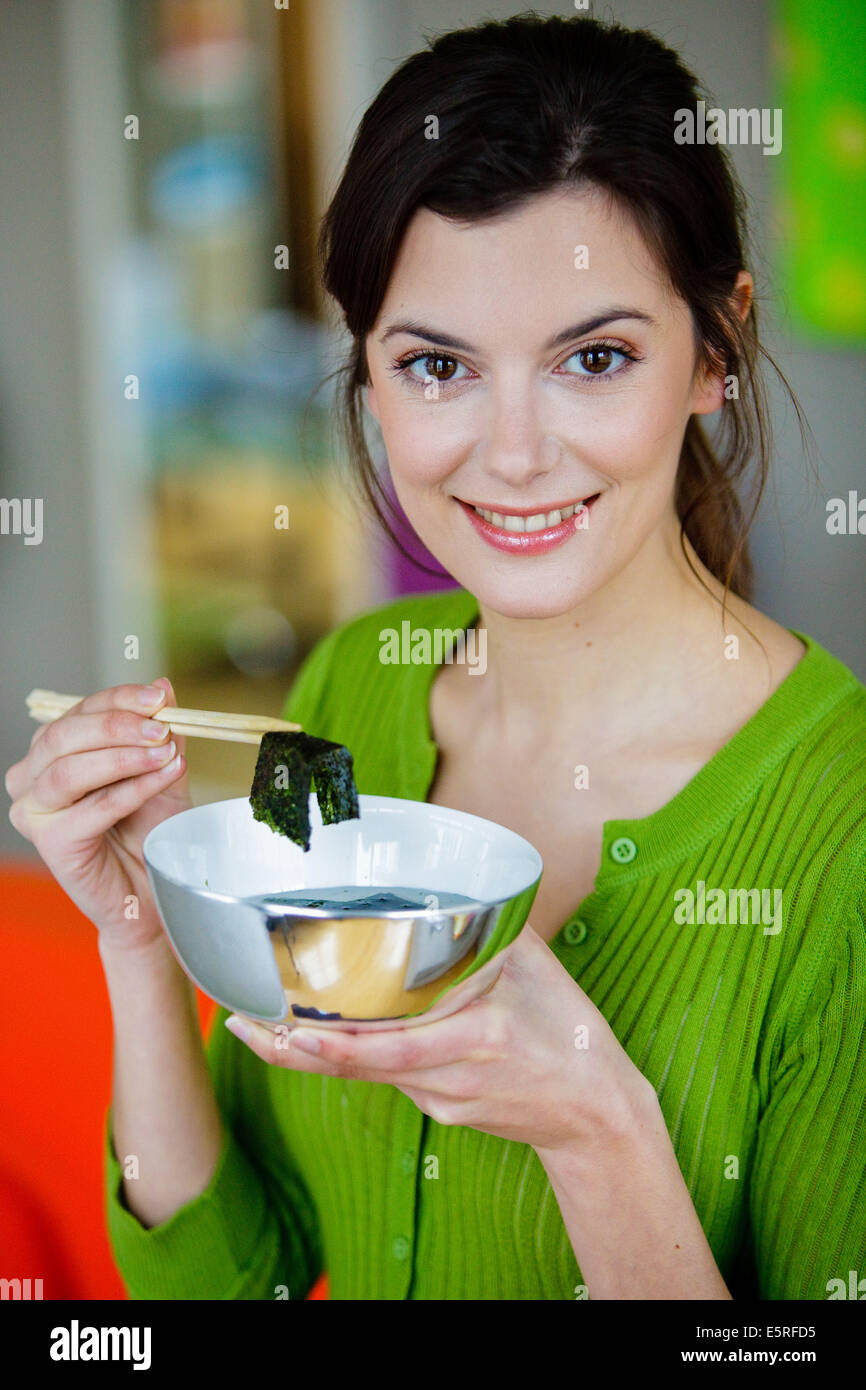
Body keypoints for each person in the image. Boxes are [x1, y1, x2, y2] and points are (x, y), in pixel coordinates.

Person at [5, 12, 864, 1301]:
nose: (511, 455)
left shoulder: (841, 831)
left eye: (595, 357)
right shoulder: (352, 687)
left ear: (717, 349)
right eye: (437, 365)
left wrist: (596, 1130)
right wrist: (139, 932)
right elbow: (237, 1278)